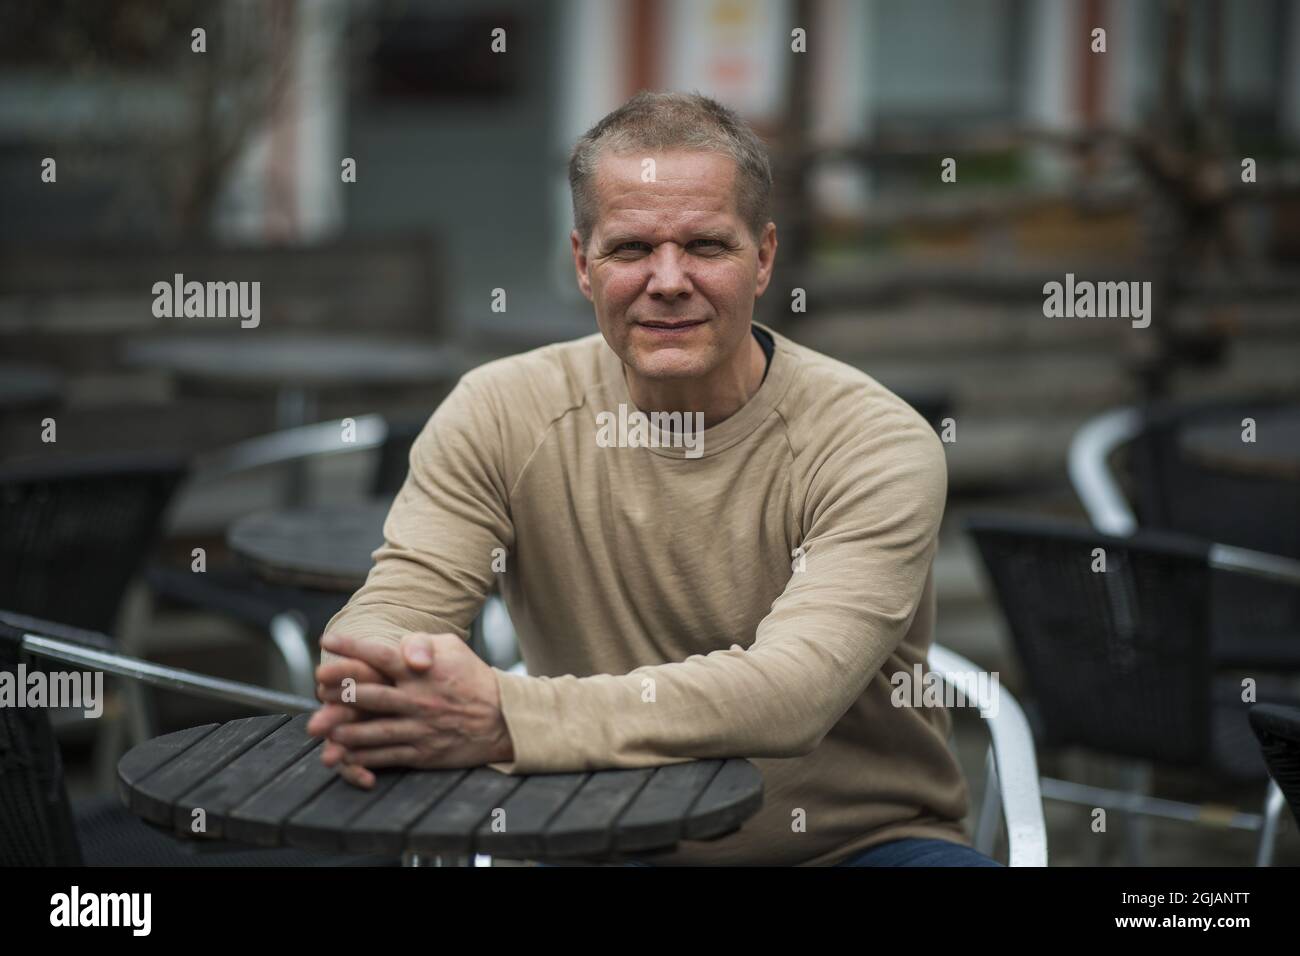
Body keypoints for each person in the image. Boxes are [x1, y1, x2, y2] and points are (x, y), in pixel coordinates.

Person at [308, 90, 998, 867]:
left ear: (764, 257)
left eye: (706, 246)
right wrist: (377, 679)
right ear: (582, 263)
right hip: (596, 834)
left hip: (856, 848)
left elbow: (791, 694)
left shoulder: (873, 442)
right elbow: (399, 605)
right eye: (631, 249)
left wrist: (507, 716)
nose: (668, 280)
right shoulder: (500, 410)